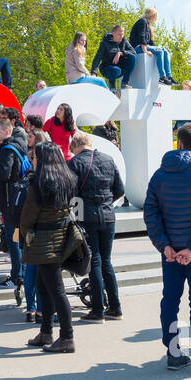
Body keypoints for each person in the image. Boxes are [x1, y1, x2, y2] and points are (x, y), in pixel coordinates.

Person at [142, 122, 191, 373]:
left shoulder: (159, 175)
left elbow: (151, 213)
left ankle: (173, 352)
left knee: (170, 299)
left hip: (170, 252)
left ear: (178, 143)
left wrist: (164, 245)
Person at [15, 141, 78, 352]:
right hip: (61, 236)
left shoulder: (39, 183)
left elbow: (27, 217)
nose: (32, 160)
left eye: (34, 157)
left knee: (56, 289)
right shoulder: (67, 179)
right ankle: (46, 332)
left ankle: (67, 337)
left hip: (43, 240)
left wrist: (25, 235)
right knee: (44, 286)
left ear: (42, 160)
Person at [68, 131, 125, 322]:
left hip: (88, 218)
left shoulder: (75, 163)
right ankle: (115, 308)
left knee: (95, 262)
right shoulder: (108, 159)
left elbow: (73, 195)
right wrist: (106, 203)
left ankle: (98, 310)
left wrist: (77, 218)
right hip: (108, 217)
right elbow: (120, 189)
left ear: (76, 145)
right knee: (106, 261)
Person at [0, 118, 29, 298]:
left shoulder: (6, 149)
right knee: (18, 239)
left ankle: (17, 276)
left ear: (7, 132)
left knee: (13, 241)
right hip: (18, 201)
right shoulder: (19, 146)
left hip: (9, 203)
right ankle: (21, 273)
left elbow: (4, 173)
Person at [128, 8, 176, 85]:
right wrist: (145, 51)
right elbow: (142, 37)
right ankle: (162, 77)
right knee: (159, 51)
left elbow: (150, 42)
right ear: (152, 15)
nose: (156, 19)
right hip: (137, 48)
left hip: (144, 46)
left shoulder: (148, 25)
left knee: (164, 51)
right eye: (155, 16)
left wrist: (156, 48)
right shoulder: (142, 21)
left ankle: (169, 76)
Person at [90, 24, 136, 91]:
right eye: (119, 34)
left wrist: (120, 53)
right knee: (115, 70)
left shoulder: (124, 41)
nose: (121, 36)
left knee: (132, 57)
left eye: (122, 34)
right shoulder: (104, 43)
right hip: (107, 68)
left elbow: (133, 51)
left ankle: (124, 83)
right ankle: (112, 85)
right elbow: (97, 58)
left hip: (120, 68)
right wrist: (94, 73)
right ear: (113, 33)